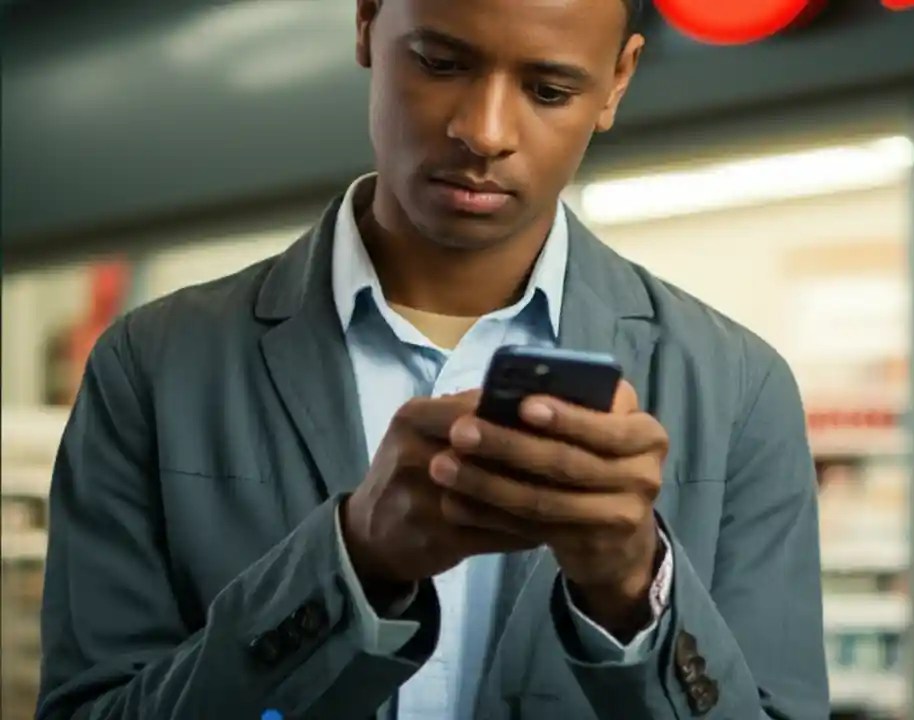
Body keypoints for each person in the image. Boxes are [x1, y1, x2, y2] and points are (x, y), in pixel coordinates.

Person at [36, 1, 829, 718]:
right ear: (365, 23)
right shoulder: (153, 367)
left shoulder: (739, 391)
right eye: (441, 63)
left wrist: (634, 593)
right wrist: (353, 562)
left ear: (618, 81)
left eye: (548, 90)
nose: (485, 132)